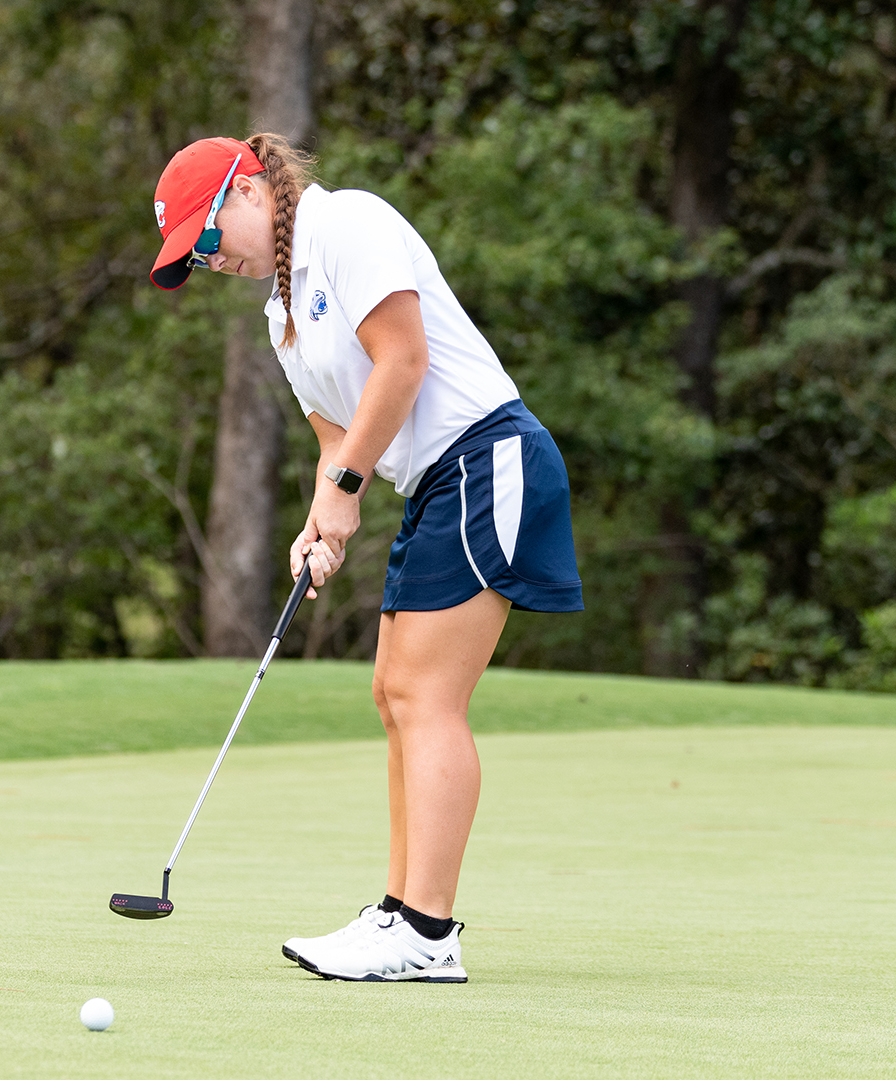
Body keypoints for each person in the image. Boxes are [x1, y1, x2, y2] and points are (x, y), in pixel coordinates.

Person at [147, 134, 582, 983]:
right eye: (192, 258)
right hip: (437, 481)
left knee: (426, 694)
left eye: (205, 237)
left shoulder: (344, 226)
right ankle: (398, 913)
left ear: (247, 188)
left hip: (487, 456)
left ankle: (425, 932)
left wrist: (345, 486)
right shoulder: (282, 316)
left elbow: (404, 361)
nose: (208, 261)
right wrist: (325, 519)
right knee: (393, 694)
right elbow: (338, 438)